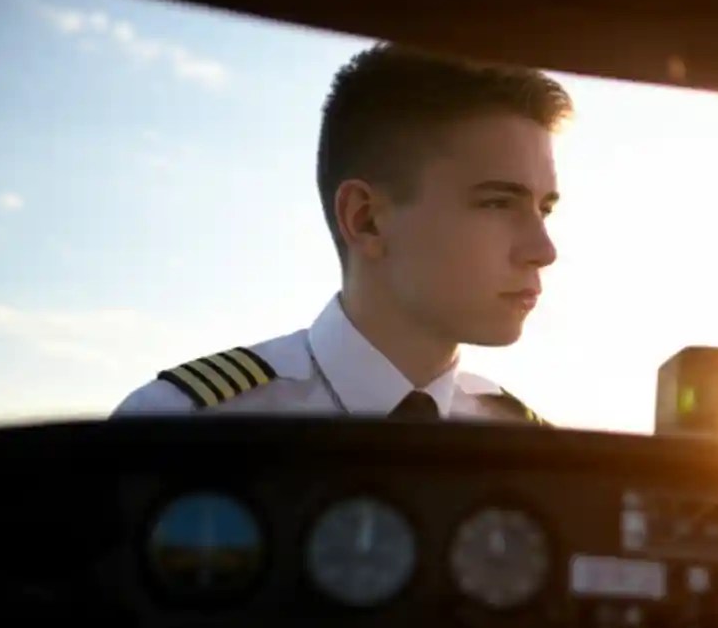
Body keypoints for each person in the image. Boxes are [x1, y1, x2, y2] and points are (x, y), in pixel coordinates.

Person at [112, 43, 570, 424]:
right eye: (497, 202)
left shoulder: (531, 446)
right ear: (366, 219)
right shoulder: (179, 429)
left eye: (544, 209)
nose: (543, 250)